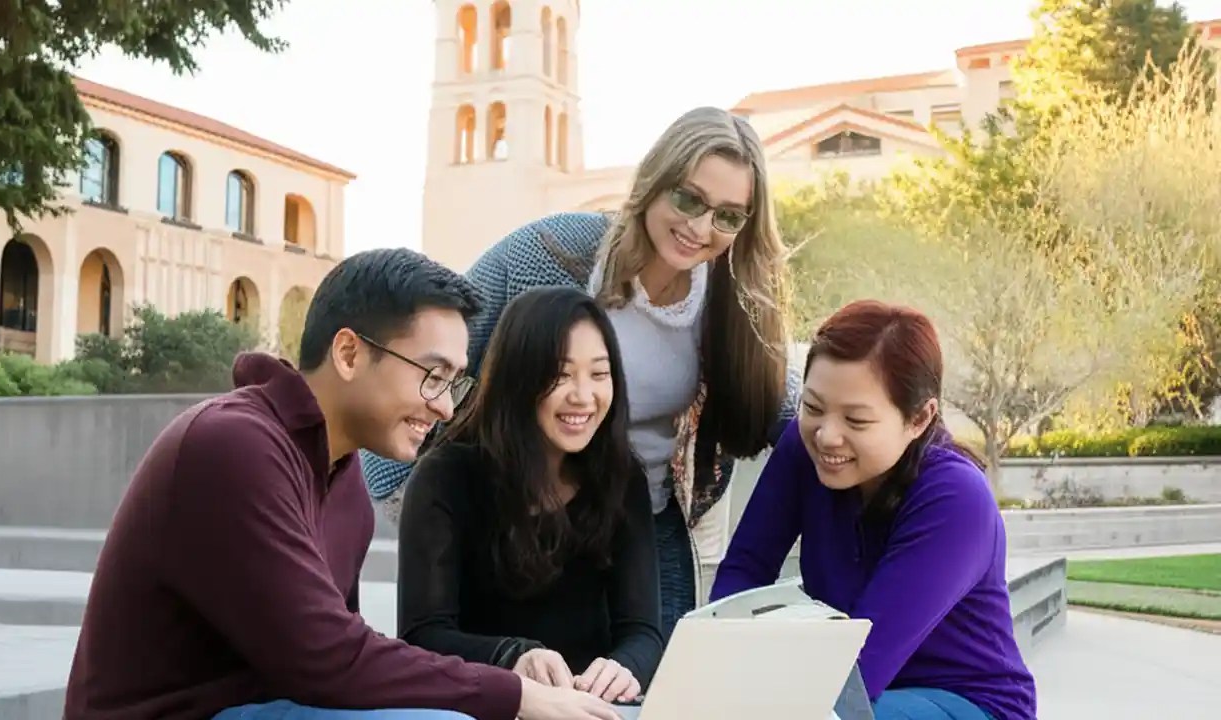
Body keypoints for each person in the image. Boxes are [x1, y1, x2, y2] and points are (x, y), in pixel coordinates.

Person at [63, 249, 623, 720]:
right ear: (350, 352)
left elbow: (344, 658)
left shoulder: (343, 477)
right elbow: (328, 658)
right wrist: (515, 694)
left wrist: (503, 679)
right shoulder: (232, 446)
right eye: (432, 376)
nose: (447, 408)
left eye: (455, 381)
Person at [364, 106, 800, 637]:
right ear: (654, 181)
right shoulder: (550, 253)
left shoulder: (733, 303)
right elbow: (440, 343)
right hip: (515, 504)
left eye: (729, 216)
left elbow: (793, 412)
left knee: (646, 683)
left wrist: (920, 450)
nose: (700, 228)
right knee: (510, 676)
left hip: (640, 516)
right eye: (688, 199)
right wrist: (401, 481)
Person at [709, 300, 1037, 720]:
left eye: (857, 421)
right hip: (853, 691)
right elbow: (745, 569)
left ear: (919, 419)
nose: (827, 435)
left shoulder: (956, 498)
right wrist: (706, 671)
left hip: (964, 703)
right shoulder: (803, 445)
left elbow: (859, 671)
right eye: (812, 407)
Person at [397, 287, 664, 706]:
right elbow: (422, 635)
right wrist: (514, 657)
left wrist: (624, 666)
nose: (583, 396)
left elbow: (643, 630)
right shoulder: (445, 477)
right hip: (487, 704)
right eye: (559, 375)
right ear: (517, 379)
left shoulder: (621, 476)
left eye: (599, 373)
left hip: (590, 708)